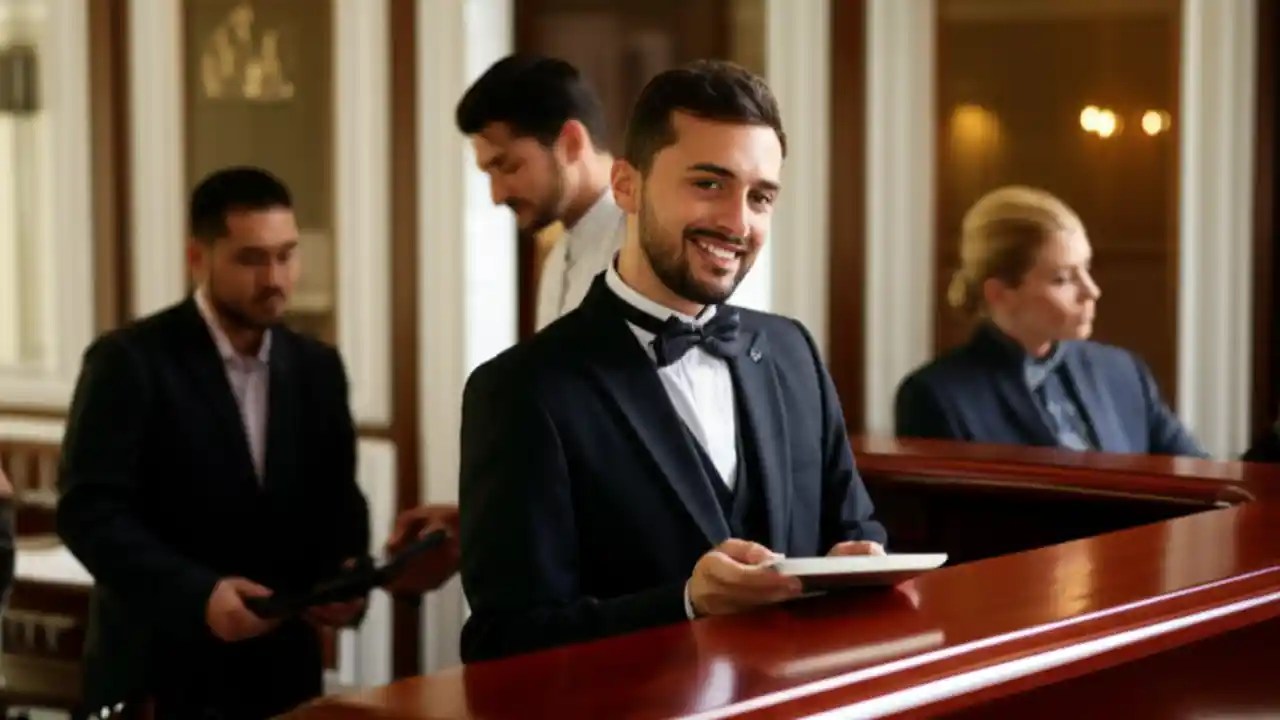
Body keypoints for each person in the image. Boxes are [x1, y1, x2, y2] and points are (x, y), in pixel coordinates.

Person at [457, 60, 887, 664]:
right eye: (708, 184)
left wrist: (857, 567)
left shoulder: (793, 351)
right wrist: (685, 603)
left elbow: (856, 530)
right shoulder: (519, 390)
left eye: (760, 197)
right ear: (626, 186)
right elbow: (502, 642)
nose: (738, 222)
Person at [57, 167, 370, 719]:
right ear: (197, 258)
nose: (275, 278)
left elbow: (339, 502)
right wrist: (198, 595)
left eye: (287, 255)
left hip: (282, 676)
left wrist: (348, 579)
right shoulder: (128, 361)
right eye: (252, 259)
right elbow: (89, 514)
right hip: (160, 676)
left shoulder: (317, 366)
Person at [895, 185, 1206, 458]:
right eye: (1062, 278)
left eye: (1086, 268)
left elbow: (1199, 476)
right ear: (999, 293)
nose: (1091, 291)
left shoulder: (1122, 373)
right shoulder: (936, 397)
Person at [456, 53, 625, 330]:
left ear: (571, 143)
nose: (496, 196)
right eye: (489, 174)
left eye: (509, 166)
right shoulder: (556, 260)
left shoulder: (646, 250)